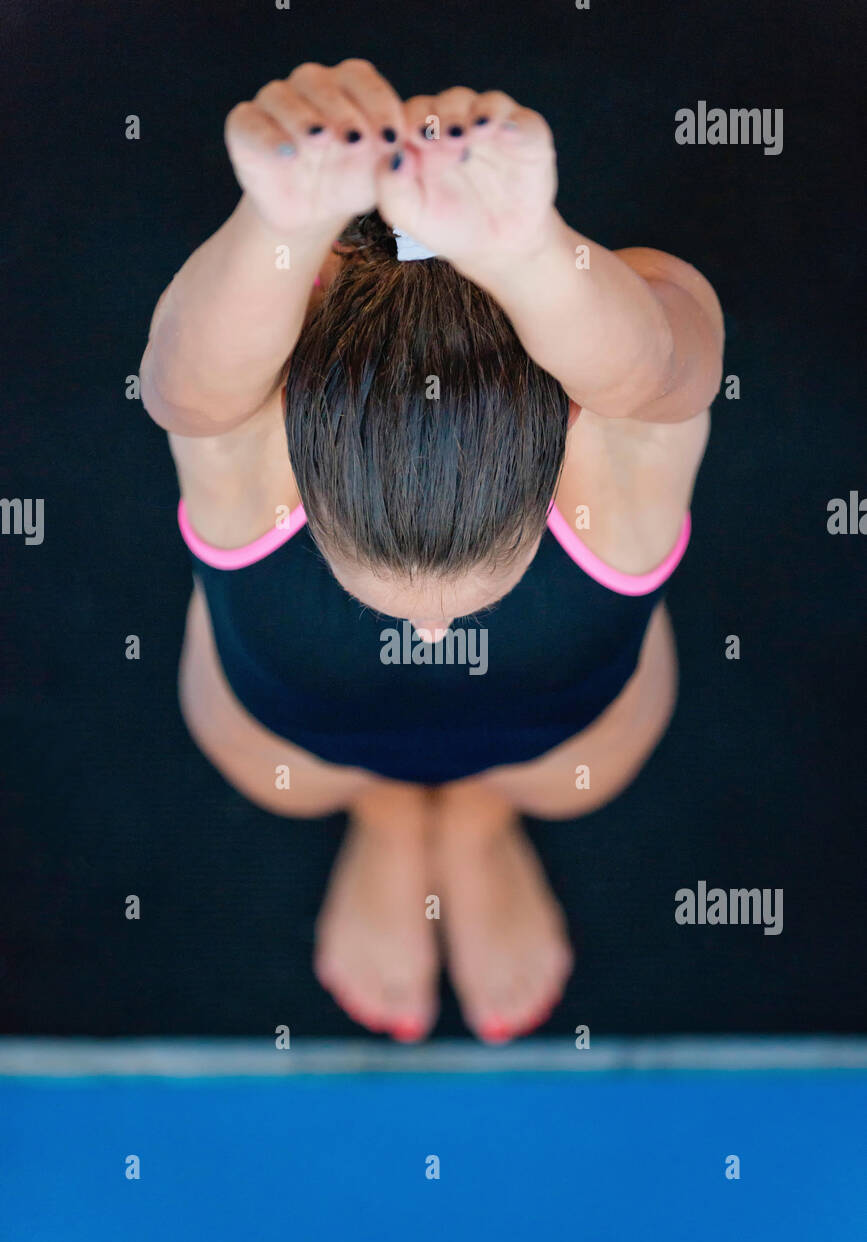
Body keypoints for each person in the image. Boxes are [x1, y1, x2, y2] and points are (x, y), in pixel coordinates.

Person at [140, 59, 724, 1045]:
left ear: (573, 414)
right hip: (324, 753)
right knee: (342, 790)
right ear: (285, 418)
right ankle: (386, 814)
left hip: (530, 752)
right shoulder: (249, 436)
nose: (431, 629)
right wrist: (275, 224)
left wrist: (531, 252)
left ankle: (477, 818)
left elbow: (655, 367)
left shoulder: (620, 439)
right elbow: (184, 388)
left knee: (543, 788)